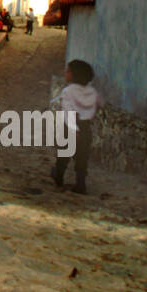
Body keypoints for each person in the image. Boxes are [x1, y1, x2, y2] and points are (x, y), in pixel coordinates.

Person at [51, 59, 100, 194]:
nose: (65, 74)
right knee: (82, 158)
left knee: (64, 155)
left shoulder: (68, 91)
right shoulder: (92, 91)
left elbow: (68, 111)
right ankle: (80, 184)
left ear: (73, 75)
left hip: (71, 127)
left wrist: (74, 130)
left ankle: (58, 177)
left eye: (67, 71)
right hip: (85, 127)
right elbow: (96, 107)